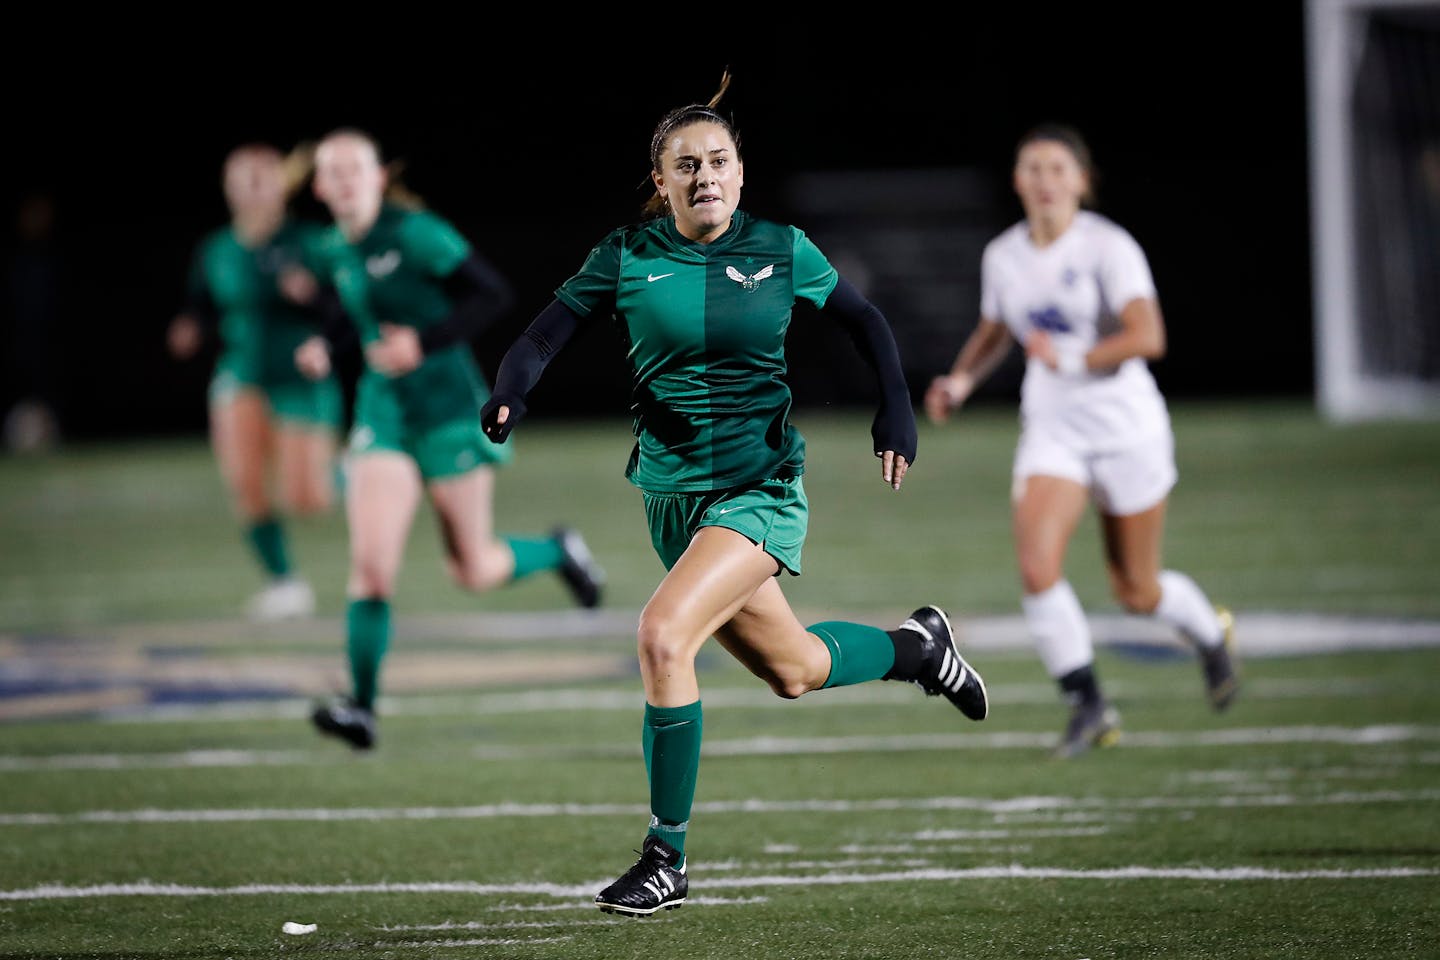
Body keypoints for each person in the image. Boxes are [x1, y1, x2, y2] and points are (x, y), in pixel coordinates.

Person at [479, 71, 989, 918]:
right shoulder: (627, 255)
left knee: (662, 634)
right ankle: (919, 648)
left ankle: (664, 856)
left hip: (759, 491)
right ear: (662, 182)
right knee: (795, 670)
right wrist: (511, 388)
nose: (704, 175)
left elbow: (866, 321)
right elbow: (542, 334)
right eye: (686, 165)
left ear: (741, 173)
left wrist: (895, 407)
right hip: (672, 500)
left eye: (718, 160)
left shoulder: (782, 249)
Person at [923, 123, 1238, 760]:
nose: (1044, 180)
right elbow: (995, 331)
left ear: (1082, 182)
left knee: (1137, 591)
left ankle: (1210, 636)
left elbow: (1148, 336)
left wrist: (1073, 361)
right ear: (1016, 181)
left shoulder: (1107, 247)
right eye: (1032, 168)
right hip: (1054, 432)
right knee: (1038, 568)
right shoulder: (1004, 255)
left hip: (1126, 430)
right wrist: (960, 380)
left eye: (1057, 169)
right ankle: (1088, 704)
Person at [296, 128, 606, 752]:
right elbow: (346, 316)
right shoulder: (332, 247)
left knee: (473, 568)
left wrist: (422, 342)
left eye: (358, 167)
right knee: (372, 572)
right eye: (335, 170)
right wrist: (324, 347)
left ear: (379, 177)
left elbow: (492, 294)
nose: (348, 179)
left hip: (446, 412)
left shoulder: (416, 232)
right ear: (322, 186)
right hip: (383, 419)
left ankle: (557, 551)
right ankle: (362, 707)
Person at [166, 143, 341, 621]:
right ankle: (285, 583)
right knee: (245, 484)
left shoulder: (309, 241)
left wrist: (312, 296)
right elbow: (200, 304)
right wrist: (191, 327)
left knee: (308, 498)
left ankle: (360, 468)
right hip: (240, 376)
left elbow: (345, 307)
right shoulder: (217, 249)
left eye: (260, 178)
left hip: (300, 379)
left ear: (281, 186)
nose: (250, 189)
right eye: (240, 179)